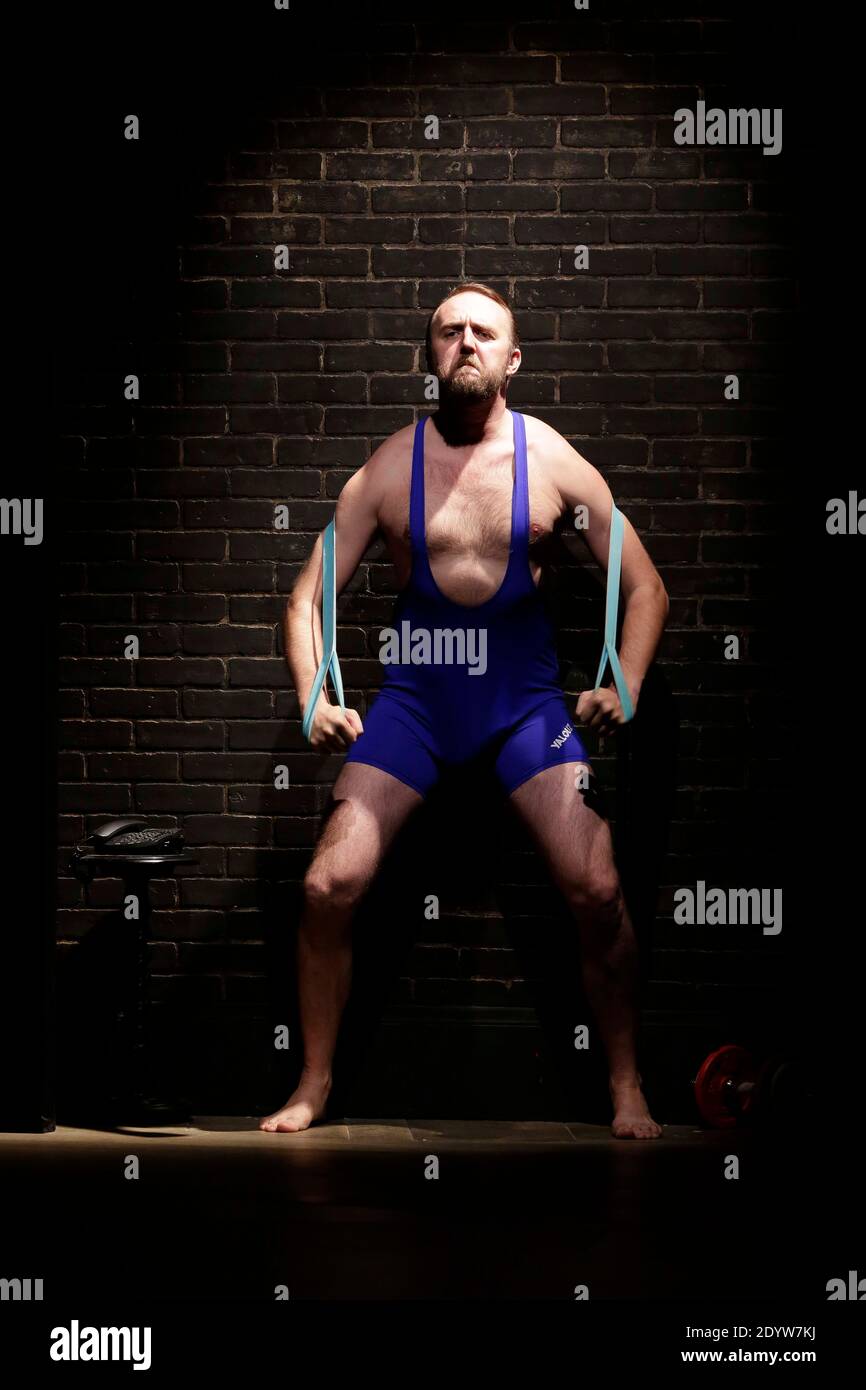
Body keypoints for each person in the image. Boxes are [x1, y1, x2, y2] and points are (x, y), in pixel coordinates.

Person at [260, 283, 669, 1139]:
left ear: (512, 358)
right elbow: (306, 600)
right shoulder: (385, 471)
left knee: (596, 887)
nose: (466, 343)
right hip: (417, 705)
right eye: (449, 332)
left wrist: (621, 685)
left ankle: (627, 1084)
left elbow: (644, 587)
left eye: (484, 332)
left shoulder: (554, 463)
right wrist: (311, 701)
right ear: (430, 356)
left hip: (525, 708)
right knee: (328, 884)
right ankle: (313, 1081)